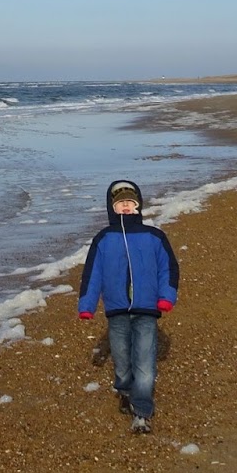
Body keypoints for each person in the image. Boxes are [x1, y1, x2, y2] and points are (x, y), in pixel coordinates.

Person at [77, 178, 179, 434]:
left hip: (147, 309)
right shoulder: (104, 238)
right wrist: (87, 304)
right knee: (122, 360)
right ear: (112, 208)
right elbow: (93, 273)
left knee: (145, 363)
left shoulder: (154, 236)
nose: (125, 207)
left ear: (138, 206)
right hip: (117, 310)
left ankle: (142, 413)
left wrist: (166, 296)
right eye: (120, 203)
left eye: (129, 203)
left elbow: (169, 268)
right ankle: (123, 389)